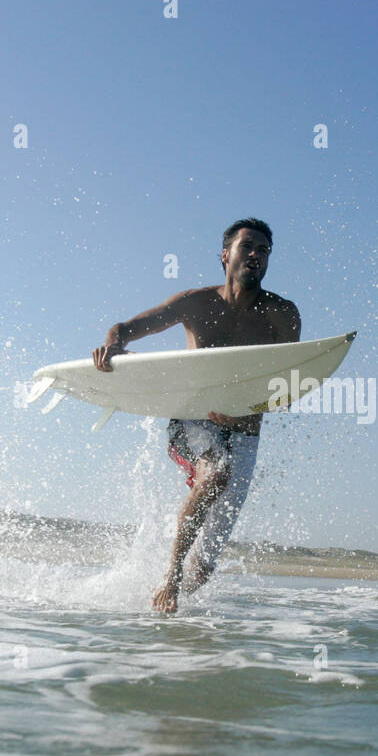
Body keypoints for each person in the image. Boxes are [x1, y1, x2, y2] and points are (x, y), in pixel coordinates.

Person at [93, 218, 300, 613]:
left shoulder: (282, 315)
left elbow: (287, 391)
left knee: (203, 569)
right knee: (214, 472)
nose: (256, 255)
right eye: (248, 247)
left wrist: (242, 417)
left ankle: (171, 622)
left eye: (264, 250)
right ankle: (168, 580)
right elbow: (125, 328)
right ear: (226, 255)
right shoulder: (195, 303)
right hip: (192, 414)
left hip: (246, 431)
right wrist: (112, 348)